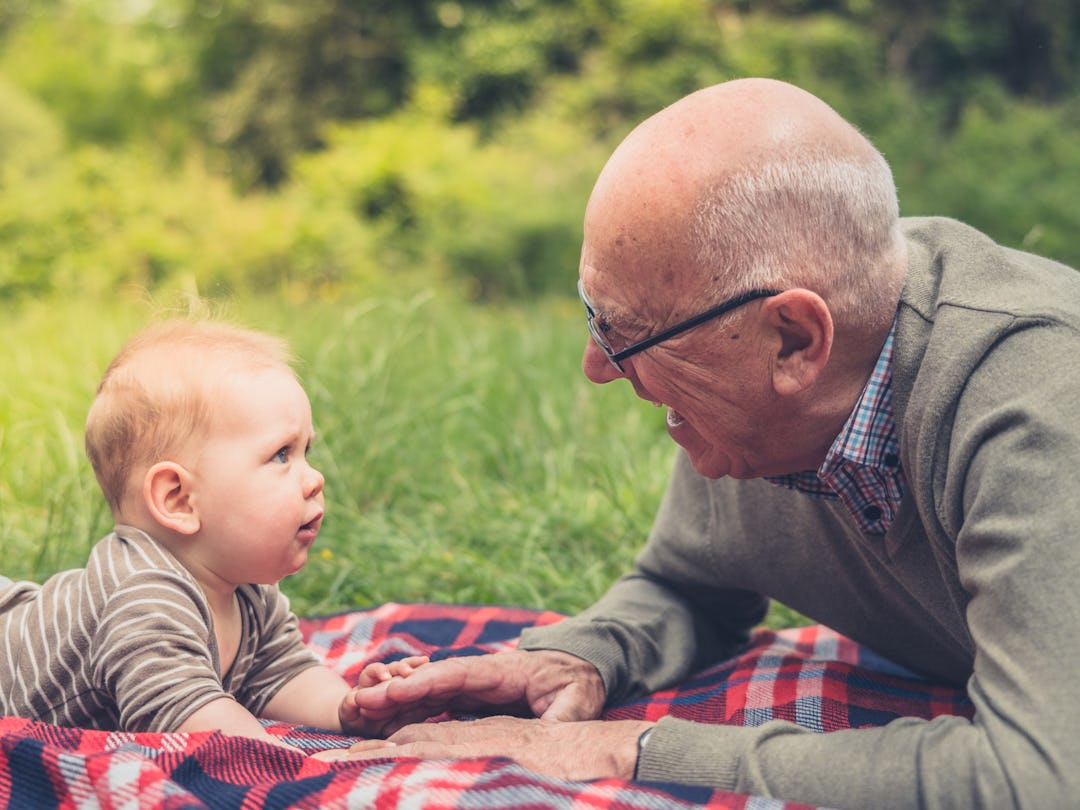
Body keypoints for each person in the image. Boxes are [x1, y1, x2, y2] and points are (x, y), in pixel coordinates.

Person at [339, 77, 1080, 807]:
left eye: (628, 332)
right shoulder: (747, 417)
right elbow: (686, 587)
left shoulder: (1037, 401)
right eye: (594, 317)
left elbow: (1039, 777)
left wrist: (627, 750)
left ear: (794, 339)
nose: (597, 368)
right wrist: (586, 657)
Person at [0, 319, 425, 751]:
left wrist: (345, 707)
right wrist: (291, 761)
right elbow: (187, 712)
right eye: (281, 454)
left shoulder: (247, 590)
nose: (314, 478)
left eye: (305, 451)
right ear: (179, 499)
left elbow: (279, 671)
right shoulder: (145, 598)